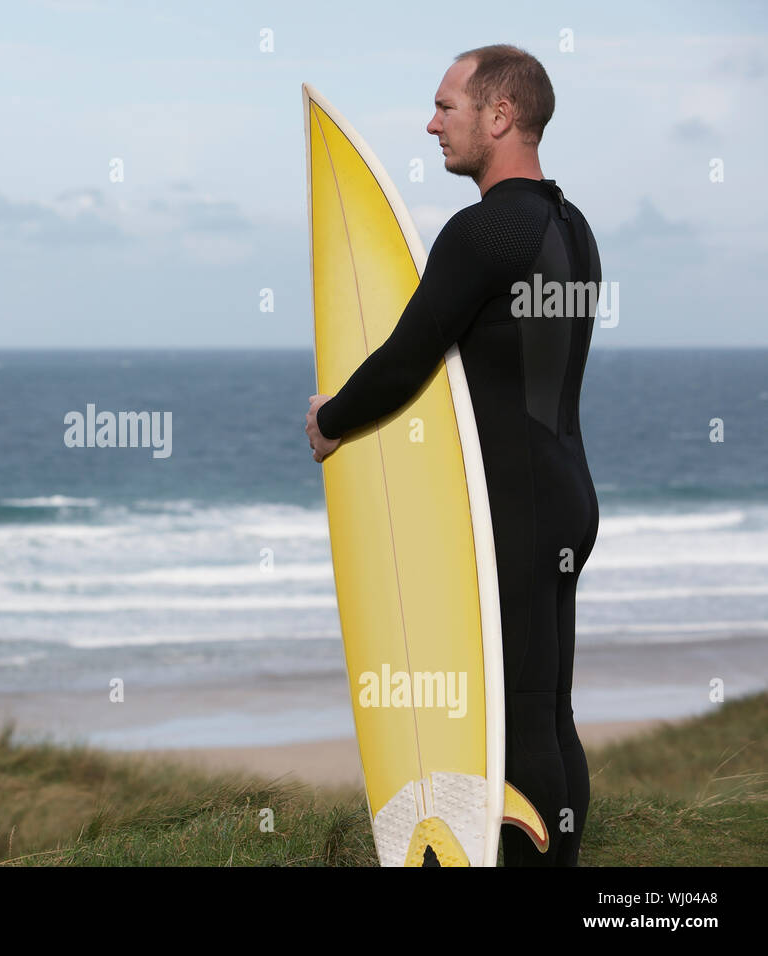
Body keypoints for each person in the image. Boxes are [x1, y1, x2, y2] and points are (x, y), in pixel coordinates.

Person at [303, 44, 602, 866]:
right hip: (567, 494)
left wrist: (336, 420)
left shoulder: (484, 231)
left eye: (447, 107)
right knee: (548, 707)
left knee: (517, 717)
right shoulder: (572, 230)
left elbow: (408, 355)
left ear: (499, 115)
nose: (431, 124)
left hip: (515, 509)